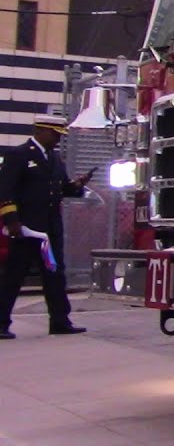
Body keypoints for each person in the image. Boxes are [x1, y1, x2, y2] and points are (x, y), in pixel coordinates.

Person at [0, 116, 92, 339]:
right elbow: (5, 190)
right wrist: (11, 220)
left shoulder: (54, 159)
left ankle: (60, 321)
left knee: (54, 274)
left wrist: (77, 186)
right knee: (14, 276)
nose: (58, 139)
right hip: (26, 229)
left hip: (49, 230)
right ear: (41, 131)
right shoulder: (19, 155)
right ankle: (1, 323)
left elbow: (61, 189)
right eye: (55, 134)